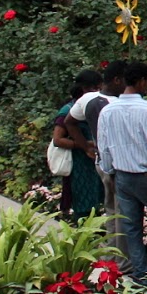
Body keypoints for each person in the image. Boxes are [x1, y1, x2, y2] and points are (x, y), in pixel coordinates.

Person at [94, 60, 147, 282]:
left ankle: (140, 276)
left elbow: (103, 146)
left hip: (123, 176)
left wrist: (109, 170)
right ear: (142, 81)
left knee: (132, 229)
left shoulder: (108, 111)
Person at [66, 63, 124, 241]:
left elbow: (69, 121)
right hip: (119, 164)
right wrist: (84, 146)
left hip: (101, 161)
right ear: (116, 80)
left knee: (110, 208)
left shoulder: (88, 99)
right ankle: (122, 258)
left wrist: (86, 146)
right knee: (122, 212)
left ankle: (111, 252)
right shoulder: (119, 102)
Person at [53, 72, 104, 220]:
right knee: (82, 203)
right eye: (95, 88)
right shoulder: (68, 110)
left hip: (93, 161)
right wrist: (83, 144)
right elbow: (58, 139)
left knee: (96, 200)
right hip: (79, 164)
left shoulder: (93, 106)